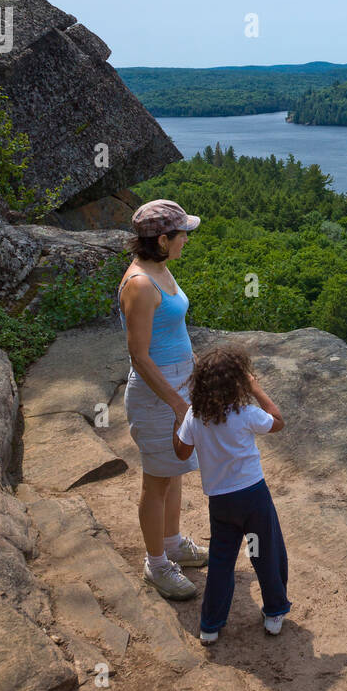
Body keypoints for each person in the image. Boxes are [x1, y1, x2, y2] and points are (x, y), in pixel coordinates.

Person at [117, 199, 209, 601]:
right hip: (157, 394)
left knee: (173, 473)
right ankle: (156, 565)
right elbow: (140, 355)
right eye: (182, 233)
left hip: (178, 384)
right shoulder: (140, 284)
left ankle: (172, 545)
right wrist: (176, 404)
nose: (186, 239)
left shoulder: (160, 269)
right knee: (156, 481)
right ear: (162, 239)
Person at [172, 344, 291, 644]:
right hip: (253, 497)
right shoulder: (245, 412)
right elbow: (277, 421)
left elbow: (181, 452)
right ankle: (274, 611)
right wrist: (257, 389)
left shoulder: (195, 417)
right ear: (237, 383)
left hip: (221, 502)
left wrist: (180, 419)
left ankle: (210, 625)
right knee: (262, 552)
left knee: (222, 561)